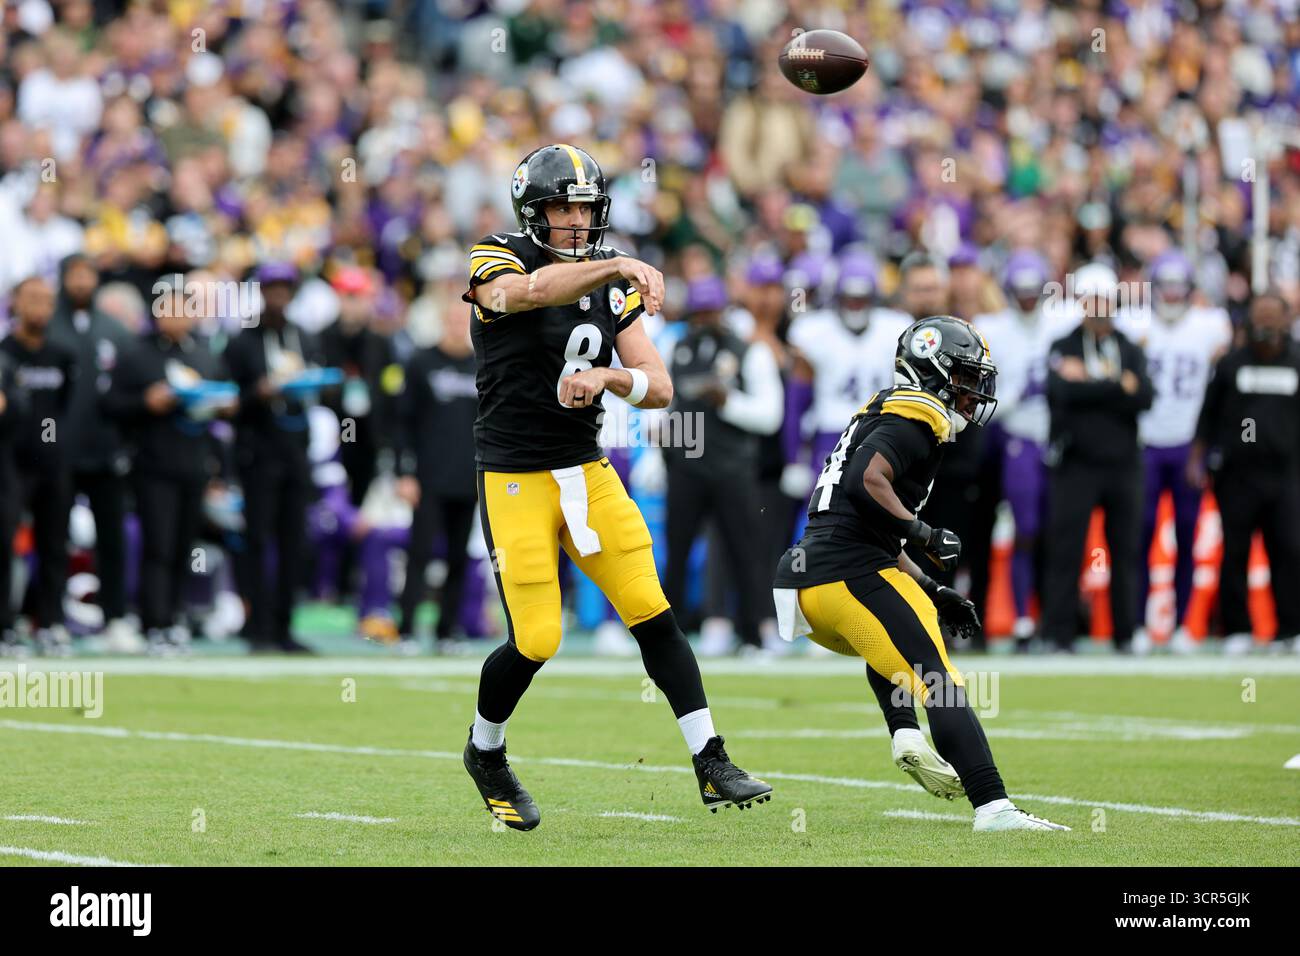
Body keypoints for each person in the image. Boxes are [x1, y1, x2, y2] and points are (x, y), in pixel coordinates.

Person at [459, 144, 770, 830]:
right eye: (563, 207)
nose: (576, 220)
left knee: (652, 610)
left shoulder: (611, 284)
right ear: (532, 211)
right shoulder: (497, 256)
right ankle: (485, 751)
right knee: (537, 639)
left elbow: (658, 387)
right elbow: (529, 293)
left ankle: (711, 760)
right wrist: (621, 263)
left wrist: (608, 379)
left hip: (586, 468)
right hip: (514, 475)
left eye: (585, 208)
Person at [772, 314, 1070, 831]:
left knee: (907, 638)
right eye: (967, 377)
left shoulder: (885, 414)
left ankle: (905, 732)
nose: (974, 391)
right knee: (942, 679)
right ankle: (994, 808)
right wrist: (924, 532)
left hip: (813, 588)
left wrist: (932, 586)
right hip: (848, 577)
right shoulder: (917, 416)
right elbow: (871, 482)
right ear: (934, 370)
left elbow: (872, 530)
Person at [105, 275, 233, 655]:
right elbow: (110, 405)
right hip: (153, 465)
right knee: (157, 546)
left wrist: (225, 411)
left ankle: (174, 617)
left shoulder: (205, 355)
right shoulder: (137, 354)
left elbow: (225, 409)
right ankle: (153, 622)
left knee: (182, 546)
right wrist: (146, 402)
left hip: (194, 464)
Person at [1117, 251, 1232, 652]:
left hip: (1188, 444)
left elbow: (1226, 365)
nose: (1170, 294)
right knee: (1140, 534)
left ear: (1189, 290)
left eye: (1177, 286)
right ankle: (1137, 625)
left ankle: (1185, 624)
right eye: (1164, 286)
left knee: (1186, 533)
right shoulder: (1135, 324)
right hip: (1144, 443)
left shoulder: (1209, 325)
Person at [663, 275, 783, 655]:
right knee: (676, 552)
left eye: (710, 312)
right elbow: (672, 406)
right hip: (687, 467)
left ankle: (753, 634)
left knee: (746, 552)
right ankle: (671, 637)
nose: (704, 320)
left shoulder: (750, 352)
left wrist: (726, 402)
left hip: (733, 469)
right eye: (698, 314)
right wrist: (663, 449)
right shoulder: (679, 348)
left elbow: (770, 416)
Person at [1041, 264, 1154, 653]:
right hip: (1076, 462)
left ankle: (1127, 632)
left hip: (1123, 463)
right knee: (1066, 548)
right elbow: (1059, 393)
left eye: (1103, 299)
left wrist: (1088, 382)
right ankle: (1059, 633)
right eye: (1090, 300)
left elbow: (1144, 398)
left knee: (1126, 549)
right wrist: (1114, 386)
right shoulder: (1064, 344)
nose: (1097, 308)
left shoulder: (1129, 346)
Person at [1189, 291, 1300, 652]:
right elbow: (1208, 414)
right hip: (1239, 474)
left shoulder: (1297, 361)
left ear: (1286, 320)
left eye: (1272, 317)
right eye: (1259, 317)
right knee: (1235, 551)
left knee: (1289, 549)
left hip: (1286, 473)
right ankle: (1236, 629)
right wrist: (1197, 458)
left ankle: (1290, 629)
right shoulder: (1232, 364)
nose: (1265, 325)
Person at [222, 262, 323, 654]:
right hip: (258, 451)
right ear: (261, 292)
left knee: (293, 539)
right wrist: (257, 394)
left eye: (285, 288)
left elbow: (323, 386)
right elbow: (228, 400)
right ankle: (257, 624)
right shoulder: (243, 341)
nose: (279, 295)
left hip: (296, 450)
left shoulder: (304, 336)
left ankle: (283, 625)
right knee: (256, 539)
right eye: (272, 288)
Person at [46, 252, 139, 652]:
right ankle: (50, 621)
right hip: (60, 453)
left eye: (88, 275)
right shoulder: (48, 328)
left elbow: (130, 389)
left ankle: (115, 617)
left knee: (112, 539)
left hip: (106, 450)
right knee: (53, 538)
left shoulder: (114, 330)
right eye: (75, 276)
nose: (81, 283)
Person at [394, 289, 479, 650]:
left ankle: (447, 631)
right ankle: (408, 630)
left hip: (470, 477)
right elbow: (402, 421)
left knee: (459, 557)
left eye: (465, 320)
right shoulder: (421, 362)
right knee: (420, 554)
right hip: (428, 477)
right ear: (444, 321)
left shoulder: (484, 364)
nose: (459, 325)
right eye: (454, 318)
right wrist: (404, 472)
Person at [0, 277, 77, 656]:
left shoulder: (62, 354)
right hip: (11, 462)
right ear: (14, 303)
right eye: (32, 299)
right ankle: (5, 626)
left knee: (53, 545)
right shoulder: (5, 352)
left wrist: (53, 443)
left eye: (47, 301)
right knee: (4, 544)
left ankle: (49, 623)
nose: (40, 308)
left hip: (52, 461)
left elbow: (60, 409)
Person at [0, 346, 31, 655]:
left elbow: (24, 409)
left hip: (4, 471)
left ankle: (4, 626)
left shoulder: (5, 362)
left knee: (4, 547)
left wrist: (6, 405)